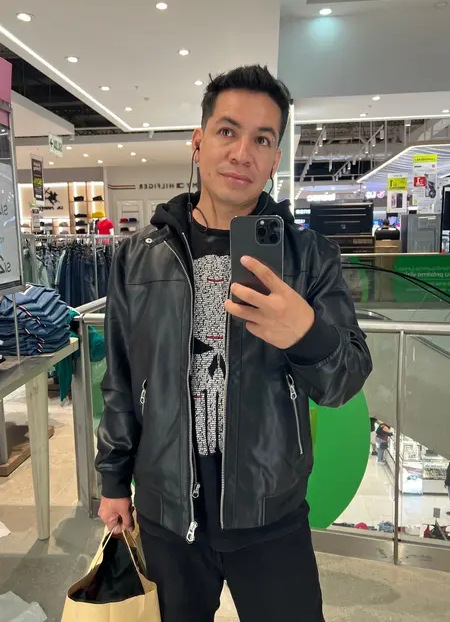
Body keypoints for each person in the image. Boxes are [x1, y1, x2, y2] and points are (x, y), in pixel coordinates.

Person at [95, 65, 372, 622]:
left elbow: (343, 381)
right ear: (198, 142)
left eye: (262, 139)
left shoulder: (309, 257)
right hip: (167, 512)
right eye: (228, 131)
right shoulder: (138, 257)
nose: (242, 152)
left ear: (274, 159)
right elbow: (121, 379)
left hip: (271, 511)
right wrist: (113, 479)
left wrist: (307, 335)